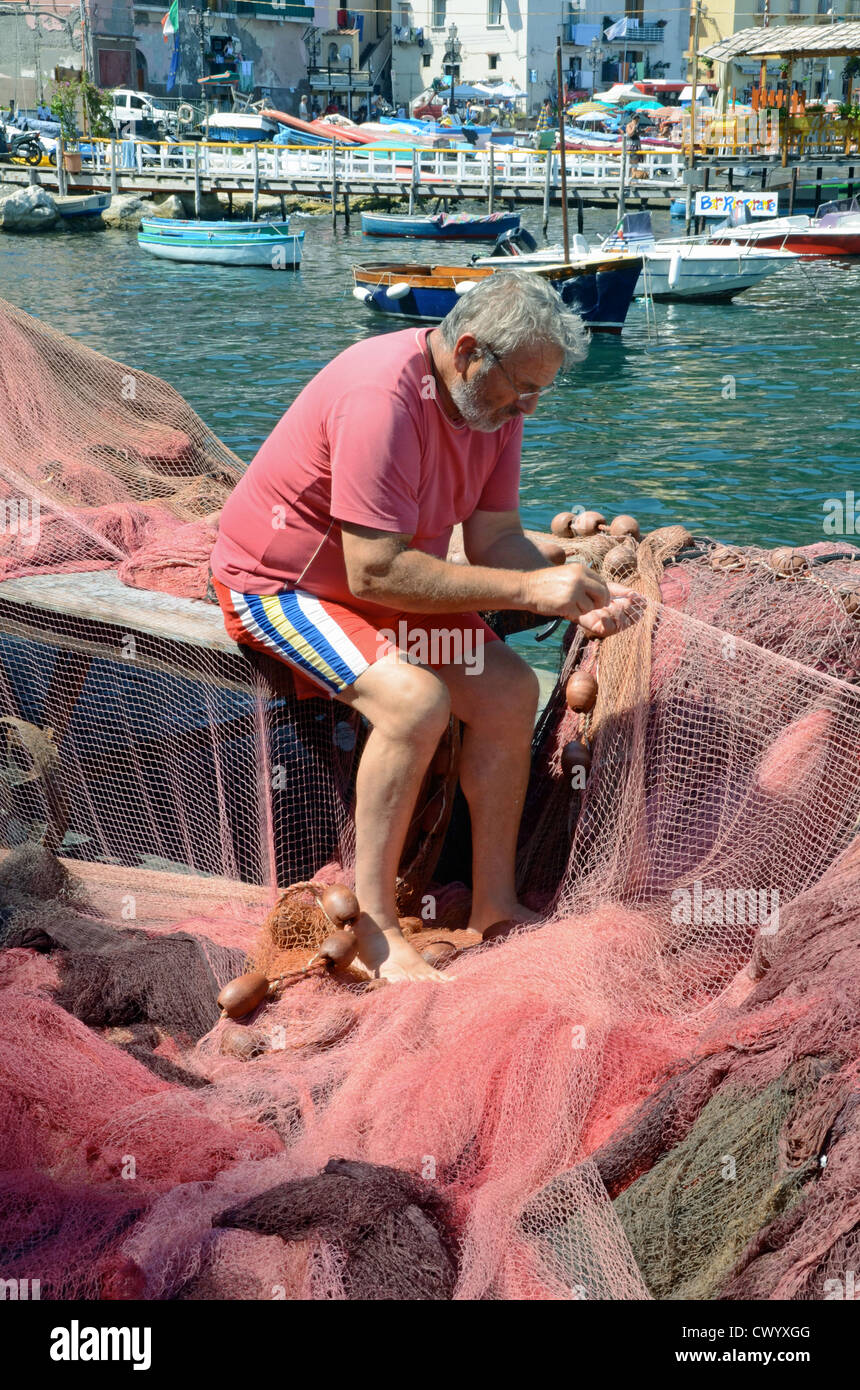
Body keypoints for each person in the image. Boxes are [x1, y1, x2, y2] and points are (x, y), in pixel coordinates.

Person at [210, 272, 637, 984]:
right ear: (469, 351)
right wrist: (533, 587)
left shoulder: (494, 409)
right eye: (523, 386)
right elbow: (377, 571)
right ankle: (373, 926)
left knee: (506, 688)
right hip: (282, 585)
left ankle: (493, 903)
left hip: (382, 585)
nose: (530, 405)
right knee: (414, 702)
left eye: (543, 390)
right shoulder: (381, 397)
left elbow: (496, 537)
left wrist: (576, 595)